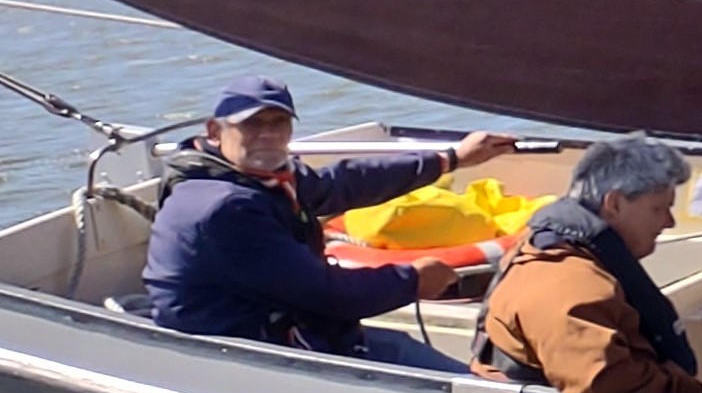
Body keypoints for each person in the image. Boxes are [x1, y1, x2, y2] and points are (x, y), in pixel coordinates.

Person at [140, 77, 514, 370]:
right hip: (245, 356)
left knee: (421, 358)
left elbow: (342, 184)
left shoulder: (259, 176)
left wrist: (450, 159)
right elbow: (326, 294)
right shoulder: (224, 208)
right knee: (459, 386)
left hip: (293, 326)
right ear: (214, 131)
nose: (268, 135)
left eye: (278, 123)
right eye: (251, 125)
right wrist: (414, 281)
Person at [475, 137, 702, 393]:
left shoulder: (573, 255)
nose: (669, 222)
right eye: (659, 208)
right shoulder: (565, 283)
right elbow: (602, 382)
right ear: (615, 204)